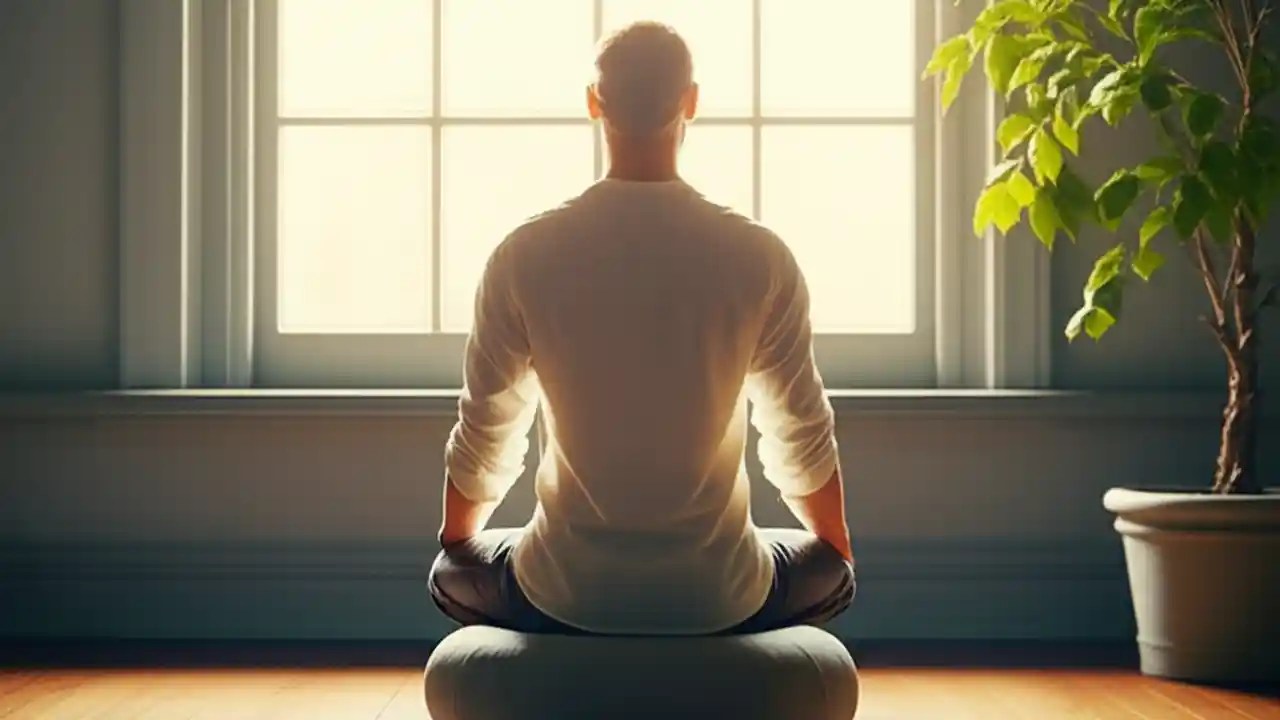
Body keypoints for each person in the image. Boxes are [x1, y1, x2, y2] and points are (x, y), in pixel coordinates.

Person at [428, 21, 854, 637]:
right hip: (718, 596)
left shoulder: (524, 254)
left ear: (594, 102)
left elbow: (486, 434)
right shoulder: (758, 257)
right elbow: (800, 432)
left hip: (562, 593)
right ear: (692, 102)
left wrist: (456, 543)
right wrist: (839, 550)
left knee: (450, 573)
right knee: (829, 573)